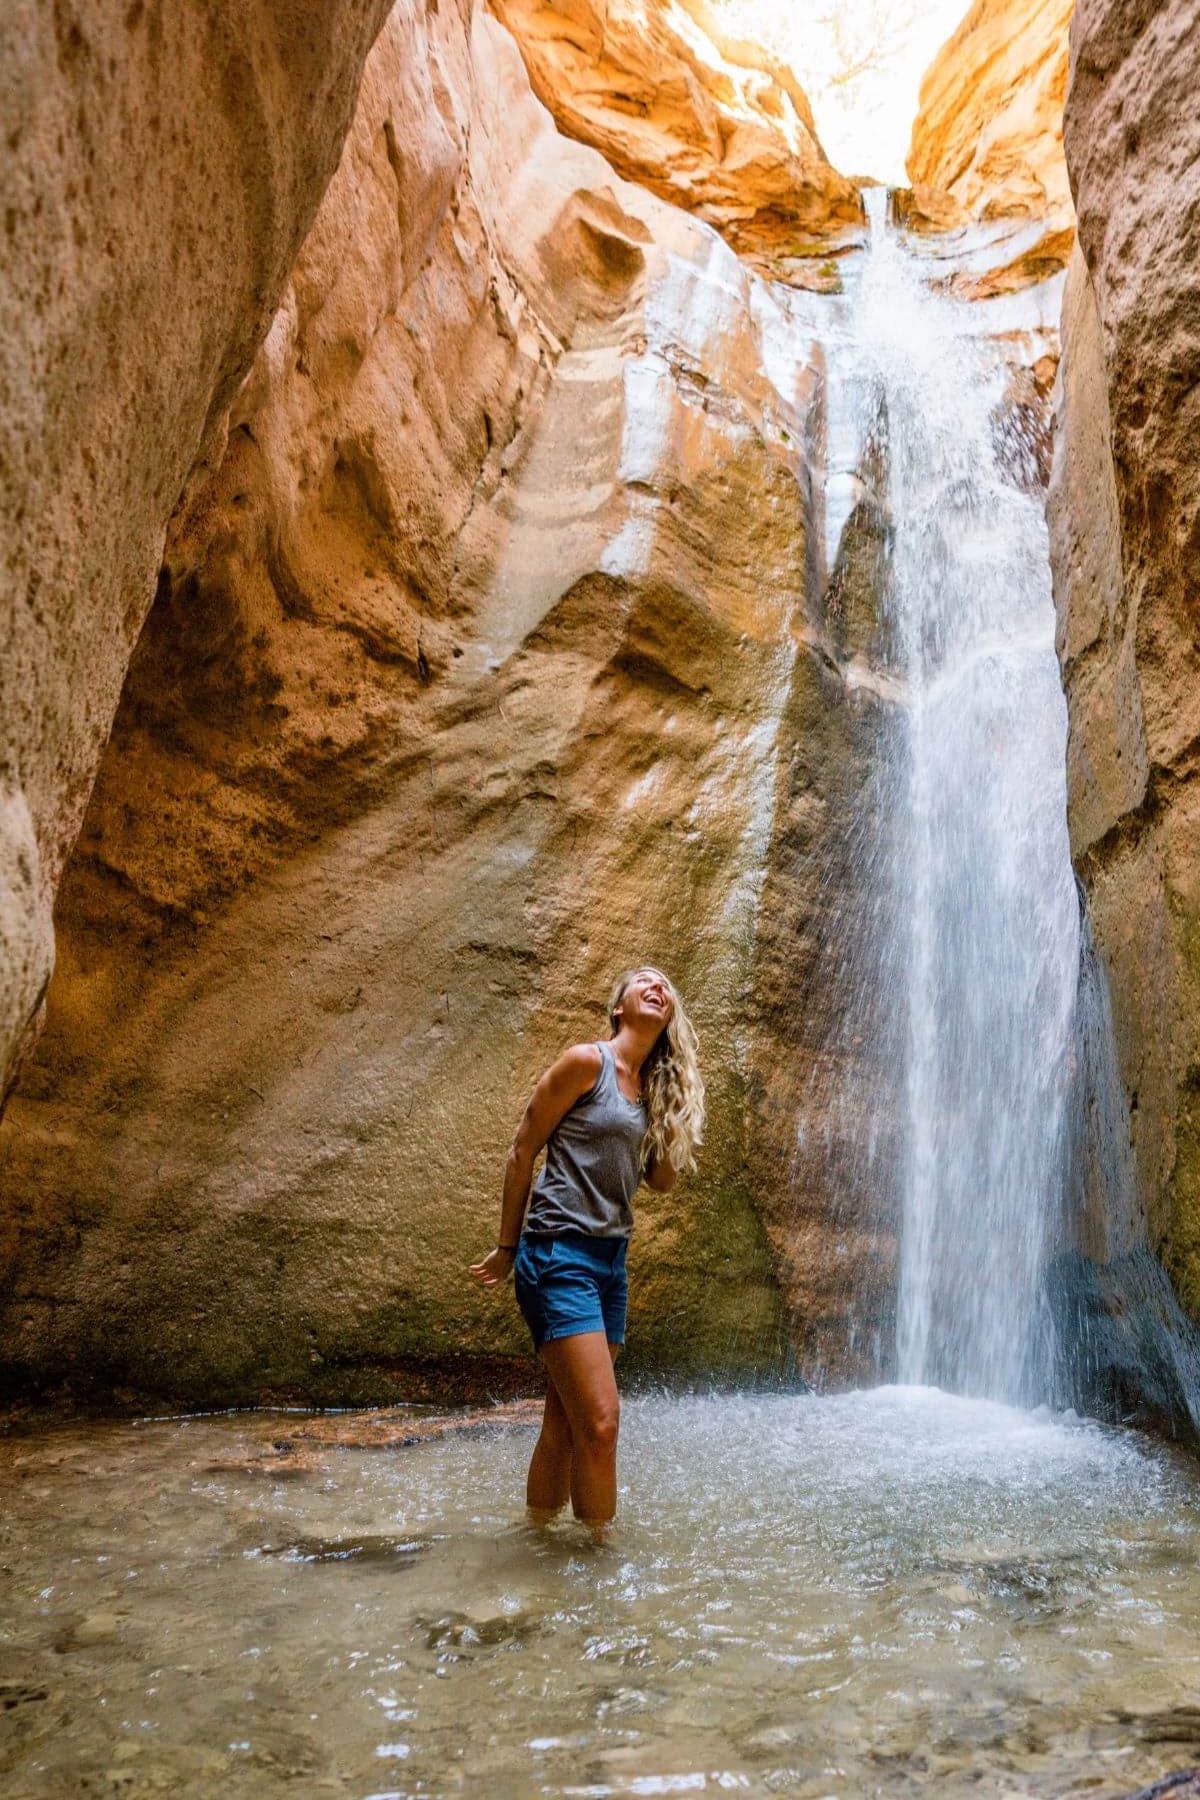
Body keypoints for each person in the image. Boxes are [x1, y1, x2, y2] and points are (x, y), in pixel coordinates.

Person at [469, 966, 705, 1529]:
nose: (658, 988)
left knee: (566, 1422)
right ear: (618, 1006)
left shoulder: (654, 1089)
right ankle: (599, 1558)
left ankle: (538, 1537)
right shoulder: (586, 1063)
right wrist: (507, 1246)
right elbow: (522, 1149)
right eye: (644, 981)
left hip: (609, 1265)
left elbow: (663, 1182)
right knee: (601, 1422)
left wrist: (676, 1109)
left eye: (666, 987)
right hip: (557, 1255)